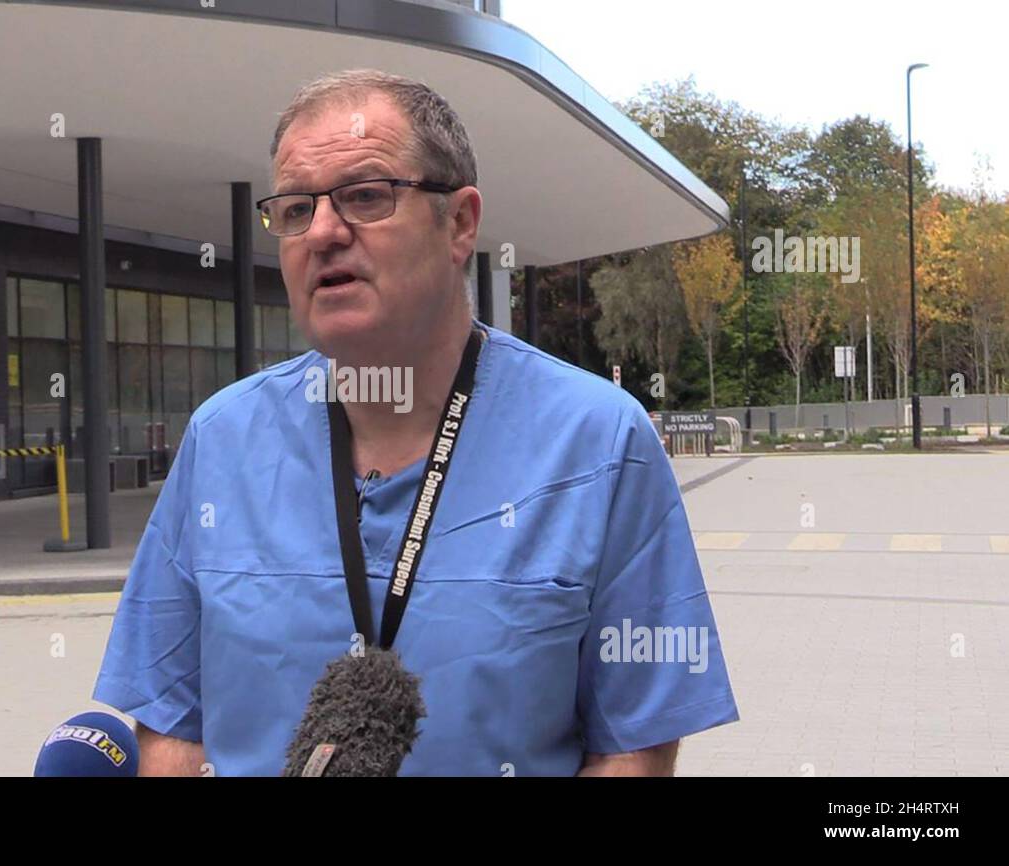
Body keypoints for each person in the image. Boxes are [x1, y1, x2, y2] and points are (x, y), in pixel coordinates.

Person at [93, 69, 738, 776]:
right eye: (296, 209)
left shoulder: (599, 443)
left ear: (458, 222)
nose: (325, 233)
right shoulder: (221, 439)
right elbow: (172, 723)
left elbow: (632, 748)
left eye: (366, 196)